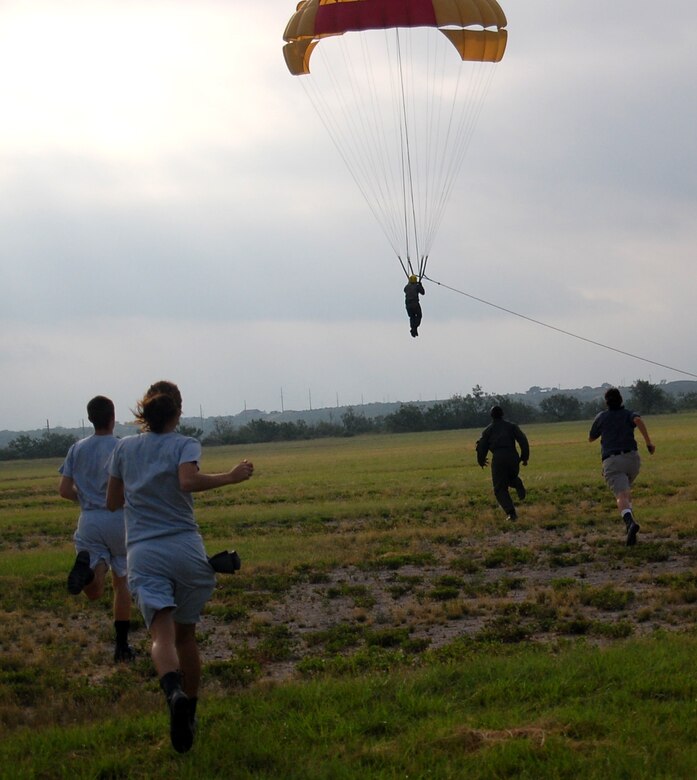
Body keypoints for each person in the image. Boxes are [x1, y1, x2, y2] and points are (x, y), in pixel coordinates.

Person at [106, 380, 254, 754]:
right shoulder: (185, 444)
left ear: (144, 412)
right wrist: (231, 476)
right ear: (178, 412)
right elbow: (187, 481)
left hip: (144, 551)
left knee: (162, 635)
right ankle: (191, 712)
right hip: (185, 548)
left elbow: (113, 501)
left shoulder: (123, 448)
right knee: (186, 636)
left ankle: (173, 692)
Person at [59, 395, 134, 663]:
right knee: (121, 583)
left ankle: (89, 573)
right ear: (113, 418)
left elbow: (64, 490)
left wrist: (87, 499)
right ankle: (122, 646)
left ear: (90, 419)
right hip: (120, 519)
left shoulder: (77, 448)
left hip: (89, 520)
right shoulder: (122, 446)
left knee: (94, 592)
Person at [588, 387, 655, 546]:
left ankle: (630, 523)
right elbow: (638, 420)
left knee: (621, 495)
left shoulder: (602, 417)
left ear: (606, 402)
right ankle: (631, 530)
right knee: (626, 491)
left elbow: (591, 438)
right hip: (632, 460)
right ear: (621, 400)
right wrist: (648, 443)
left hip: (612, 460)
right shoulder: (628, 414)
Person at [476, 405, 529, 521]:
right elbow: (523, 440)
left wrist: (481, 460)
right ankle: (517, 483)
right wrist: (524, 457)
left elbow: (481, 446)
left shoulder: (488, 430)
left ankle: (511, 513)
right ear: (502, 414)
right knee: (510, 477)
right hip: (513, 457)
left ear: (491, 416)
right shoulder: (511, 426)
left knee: (500, 487)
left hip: (499, 458)